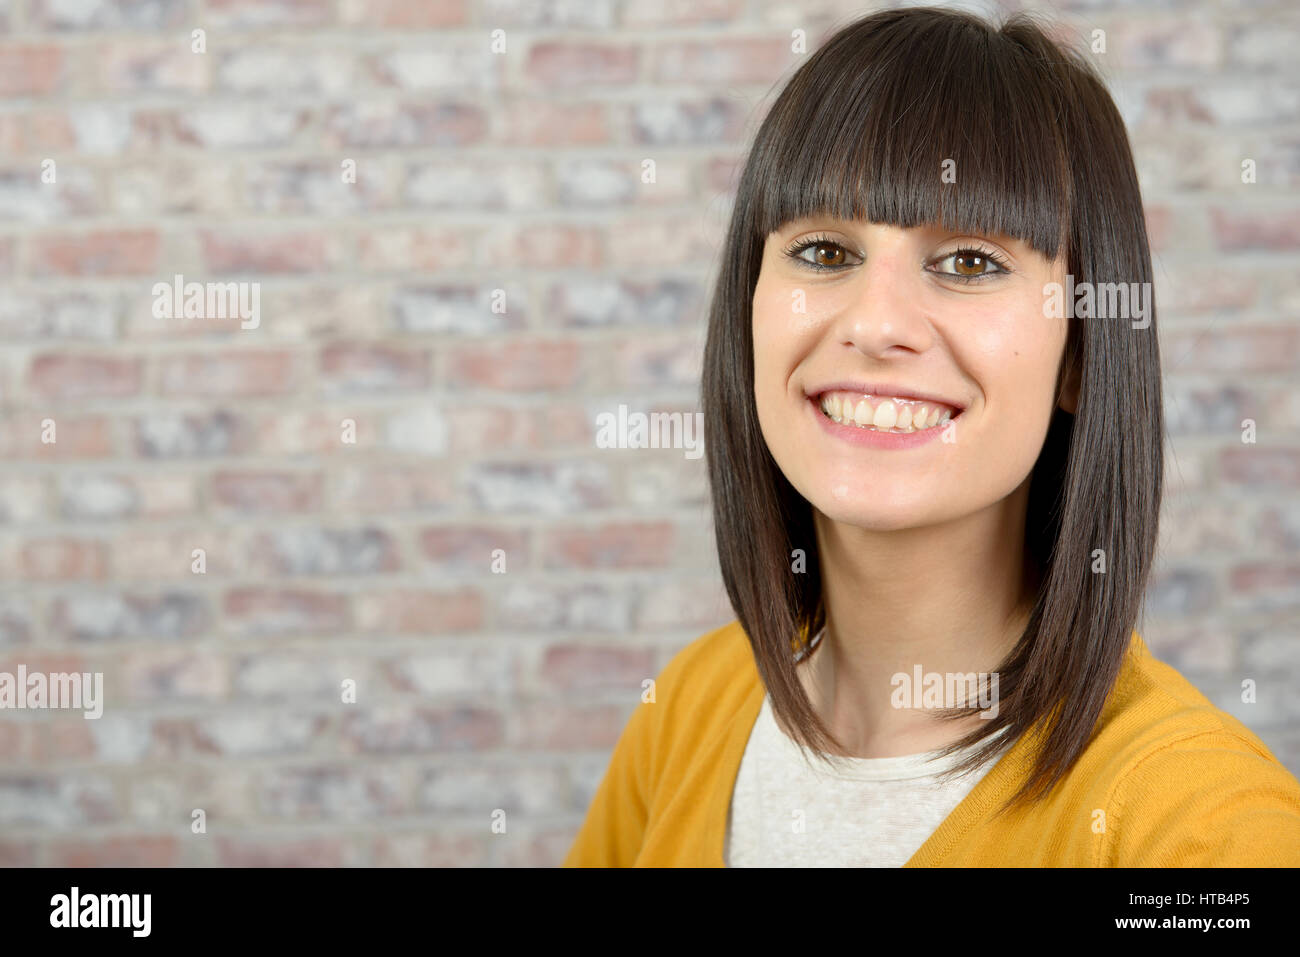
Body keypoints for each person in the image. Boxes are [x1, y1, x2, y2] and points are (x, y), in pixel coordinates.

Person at [563, 6, 1300, 867]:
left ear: (1081, 354)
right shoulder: (688, 706)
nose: (876, 325)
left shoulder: (1203, 834)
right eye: (826, 251)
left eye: (970, 264)